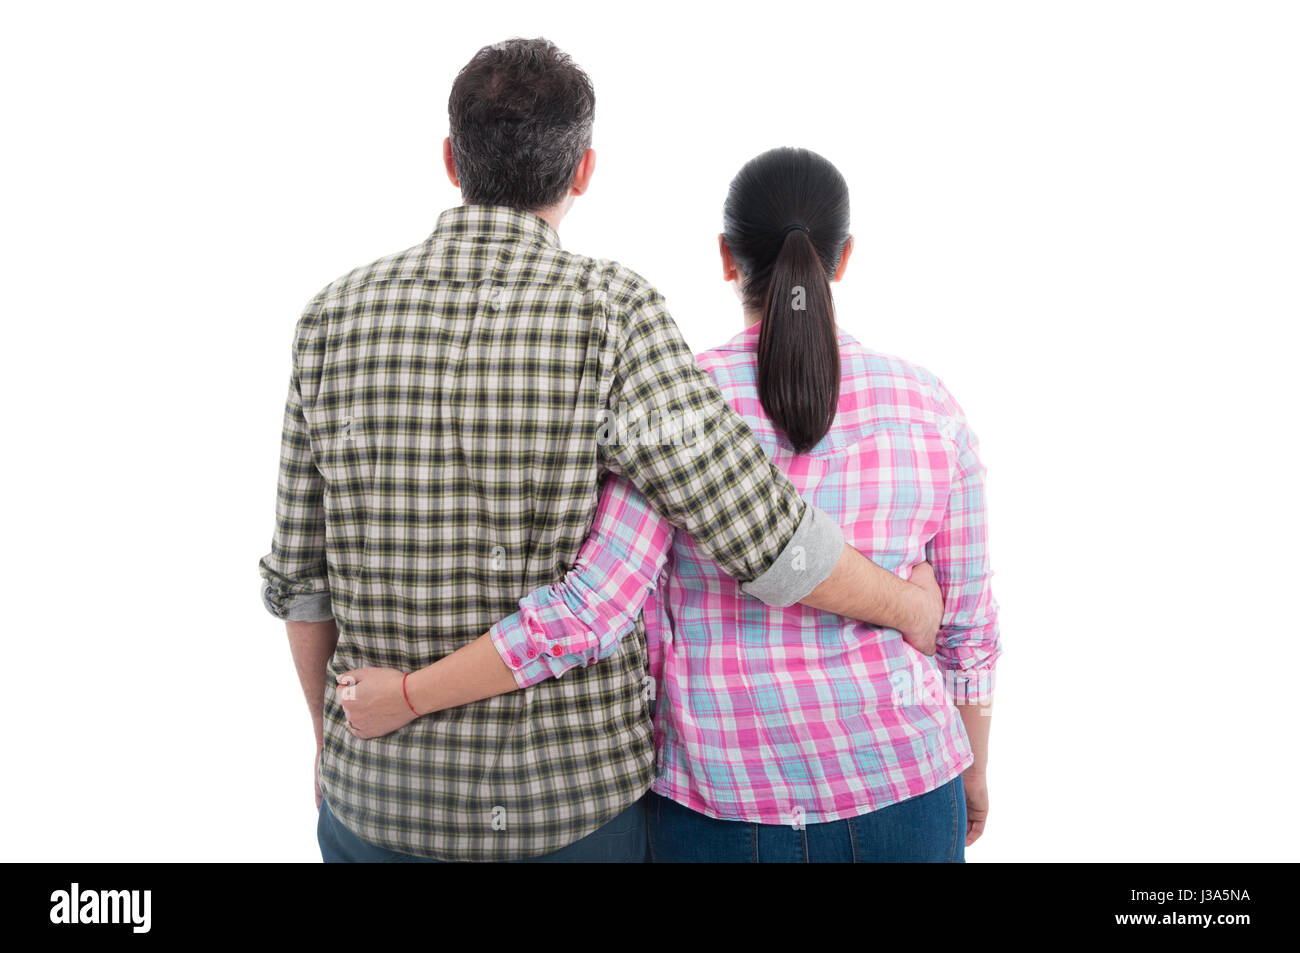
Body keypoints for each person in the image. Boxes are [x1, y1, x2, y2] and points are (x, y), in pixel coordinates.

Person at [259, 39, 943, 863]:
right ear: (583, 170)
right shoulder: (613, 315)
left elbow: (302, 582)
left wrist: (330, 743)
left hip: (376, 805)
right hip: (572, 818)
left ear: (451, 159)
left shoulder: (329, 319)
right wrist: (909, 608)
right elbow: (760, 531)